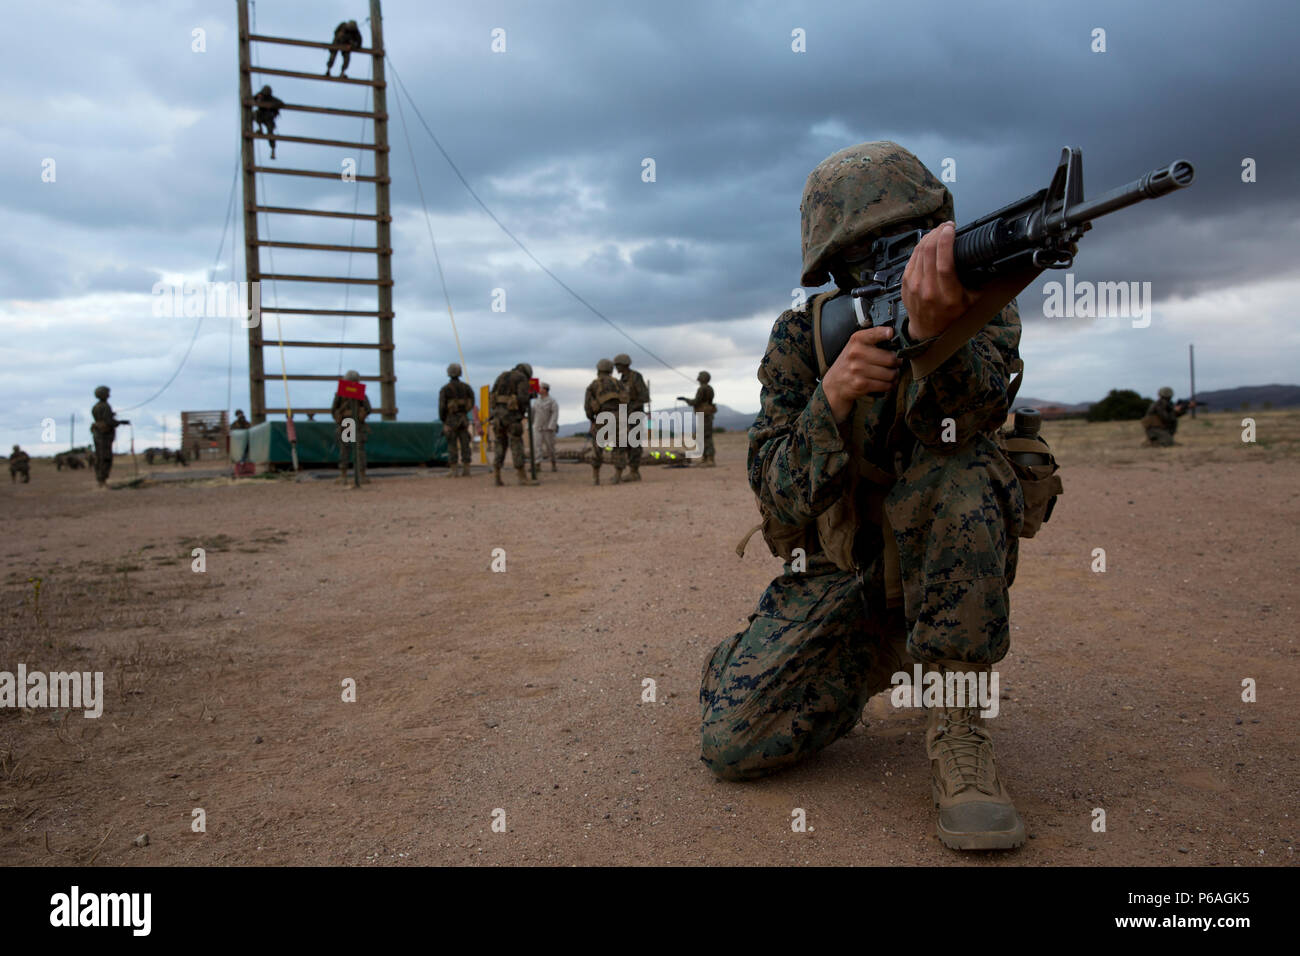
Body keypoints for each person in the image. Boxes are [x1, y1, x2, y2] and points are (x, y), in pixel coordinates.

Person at [699, 142, 1027, 851]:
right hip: (842, 573)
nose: (886, 259)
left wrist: (939, 337)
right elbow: (776, 498)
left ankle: (959, 729)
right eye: (863, 252)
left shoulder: (983, 305)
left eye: (904, 238)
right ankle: (873, 652)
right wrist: (833, 397)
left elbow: (973, 419)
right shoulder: (803, 337)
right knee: (733, 745)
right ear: (837, 267)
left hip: (939, 565)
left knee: (960, 472)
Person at [489, 363, 535, 486]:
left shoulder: (501, 376)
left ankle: (497, 476)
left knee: (499, 444)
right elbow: (522, 398)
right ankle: (522, 477)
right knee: (516, 445)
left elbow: (492, 395)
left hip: (498, 416)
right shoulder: (521, 378)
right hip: (512, 417)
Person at [585, 358, 628, 485]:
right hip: (619, 417)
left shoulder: (594, 385)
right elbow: (626, 400)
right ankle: (617, 476)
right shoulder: (618, 384)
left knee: (598, 447)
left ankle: (595, 477)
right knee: (619, 447)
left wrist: (591, 419)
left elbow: (587, 406)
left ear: (598, 369)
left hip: (602, 417)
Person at [331, 370, 372, 485]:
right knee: (348, 450)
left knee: (356, 450)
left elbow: (367, 409)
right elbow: (334, 410)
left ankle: (356, 475)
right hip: (348, 423)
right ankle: (348, 475)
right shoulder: (341, 395)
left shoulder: (359, 395)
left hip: (353, 423)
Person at [614, 354, 649, 481]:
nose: (616, 367)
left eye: (617, 365)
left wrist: (632, 407)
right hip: (625, 415)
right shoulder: (621, 380)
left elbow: (644, 397)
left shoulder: (635, 377)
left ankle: (634, 471)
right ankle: (631, 471)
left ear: (624, 364)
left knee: (635, 442)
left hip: (635, 414)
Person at [439, 363, 476, 477]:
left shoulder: (445, 389)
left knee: (452, 445)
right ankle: (466, 469)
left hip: (450, 420)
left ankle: (453, 470)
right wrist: (464, 412)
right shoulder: (467, 387)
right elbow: (472, 402)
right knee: (465, 444)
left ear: (449, 373)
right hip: (463, 419)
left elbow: (442, 407)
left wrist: (444, 420)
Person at [90, 386, 128, 488]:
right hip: (104, 436)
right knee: (105, 457)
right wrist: (121, 422)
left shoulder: (96, 407)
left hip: (98, 434)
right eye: (107, 393)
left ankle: (100, 480)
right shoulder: (105, 406)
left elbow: (103, 418)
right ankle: (102, 481)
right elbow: (109, 422)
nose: (109, 395)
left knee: (99, 457)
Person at [678, 371, 717, 467]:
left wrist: (685, 399)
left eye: (700, 376)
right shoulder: (710, 388)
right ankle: (705, 458)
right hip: (706, 414)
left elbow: (695, 401)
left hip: (704, 415)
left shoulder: (702, 389)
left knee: (705, 437)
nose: (698, 377)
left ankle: (710, 459)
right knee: (702, 437)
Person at [252, 85, 285, 160]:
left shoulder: (271, 99)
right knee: (255, 114)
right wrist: (257, 97)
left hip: (269, 118)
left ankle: (273, 150)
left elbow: (281, 103)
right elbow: (253, 99)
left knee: (270, 133)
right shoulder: (260, 96)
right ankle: (260, 129)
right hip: (261, 116)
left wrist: (271, 106)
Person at [533, 382, 560, 473]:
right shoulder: (536, 401)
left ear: (545, 389)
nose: (539, 390)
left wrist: (551, 425)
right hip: (538, 427)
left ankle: (553, 464)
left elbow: (555, 414)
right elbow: (533, 414)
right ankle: (537, 465)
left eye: (540, 388)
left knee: (550, 448)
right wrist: (530, 425)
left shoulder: (552, 401)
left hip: (548, 428)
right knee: (537, 447)